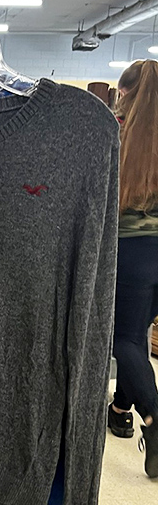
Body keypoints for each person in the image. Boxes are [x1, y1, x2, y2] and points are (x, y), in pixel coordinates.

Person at [107, 59, 158, 478]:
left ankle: (155, 416)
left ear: (128, 92)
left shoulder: (118, 134)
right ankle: (121, 411)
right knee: (137, 333)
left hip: (133, 251)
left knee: (121, 337)